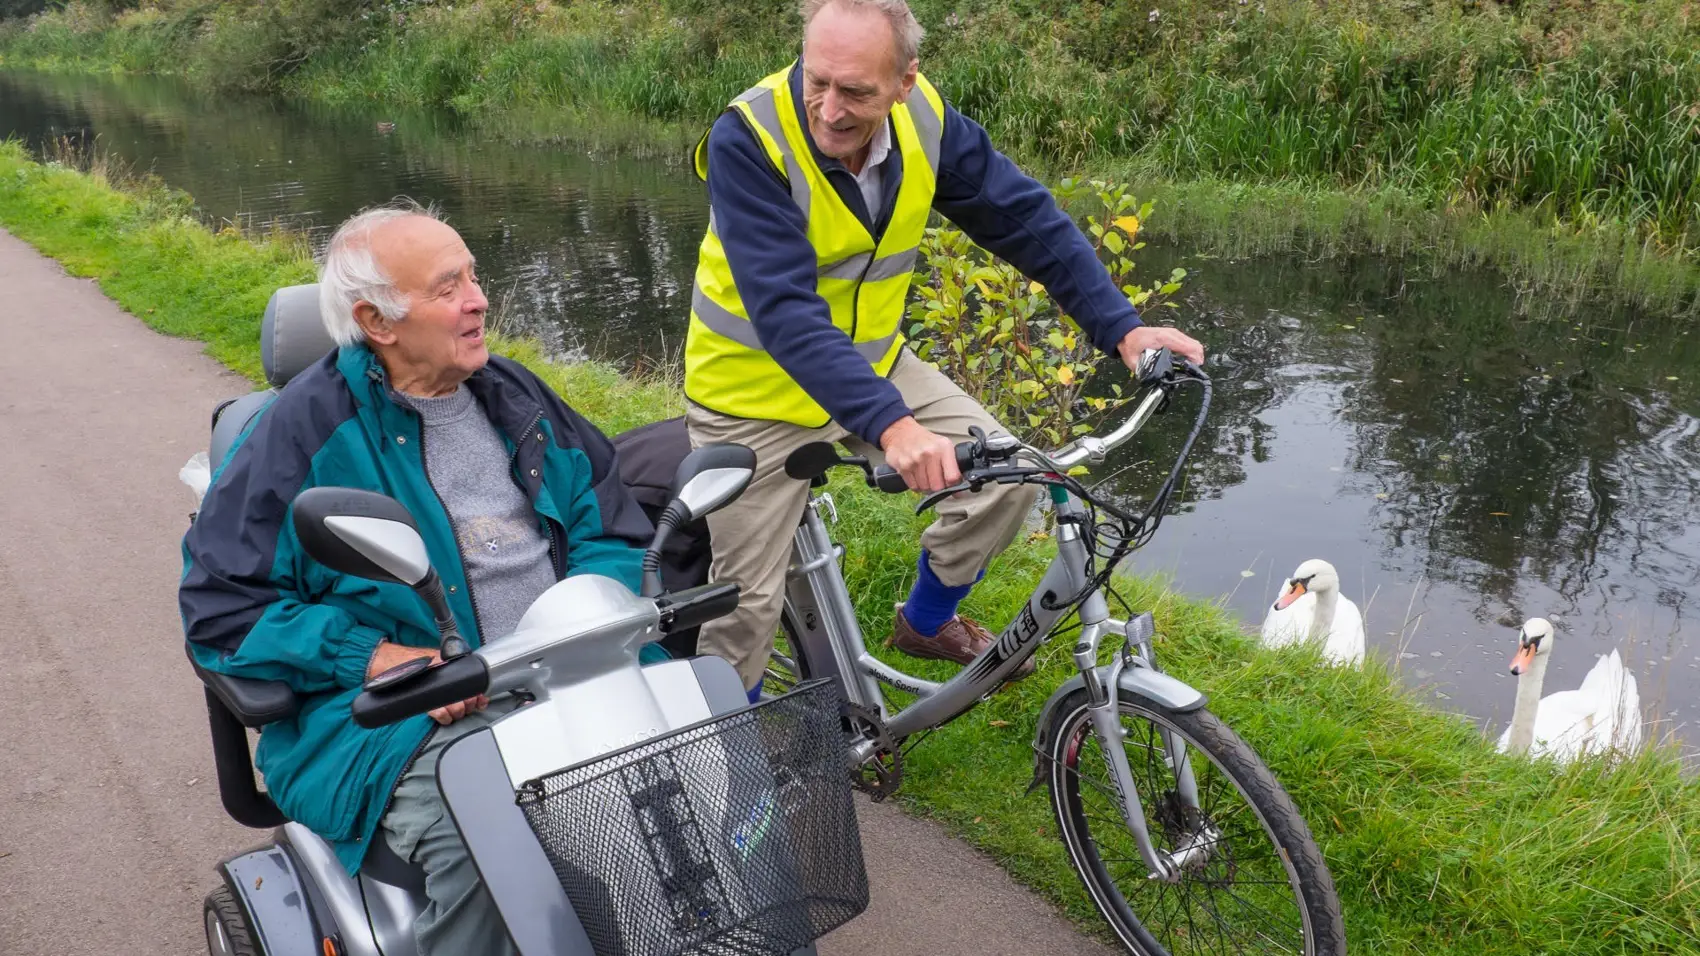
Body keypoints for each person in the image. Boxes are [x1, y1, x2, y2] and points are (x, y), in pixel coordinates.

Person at [683, 0, 1207, 699]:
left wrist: (1124, 330)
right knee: (743, 612)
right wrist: (895, 426)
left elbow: (1023, 218)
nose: (829, 110)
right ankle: (726, 778)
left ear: (904, 82)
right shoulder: (748, 137)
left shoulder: (924, 119)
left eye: (857, 92)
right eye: (817, 80)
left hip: (870, 366)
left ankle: (925, 624)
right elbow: (785, 314)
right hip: (752, 395)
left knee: (1011, 477)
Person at [180, 202, 656, 956]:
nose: (478, 299)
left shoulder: (515, 396)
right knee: (494, 847)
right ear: (378, 322)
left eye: (473, 276)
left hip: (563, 678)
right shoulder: (299, 437)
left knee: (711, 794)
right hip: (391, 718)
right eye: (447, 288)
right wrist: (376, 660)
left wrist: (594, 627)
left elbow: (612, 528)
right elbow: (222, 615)